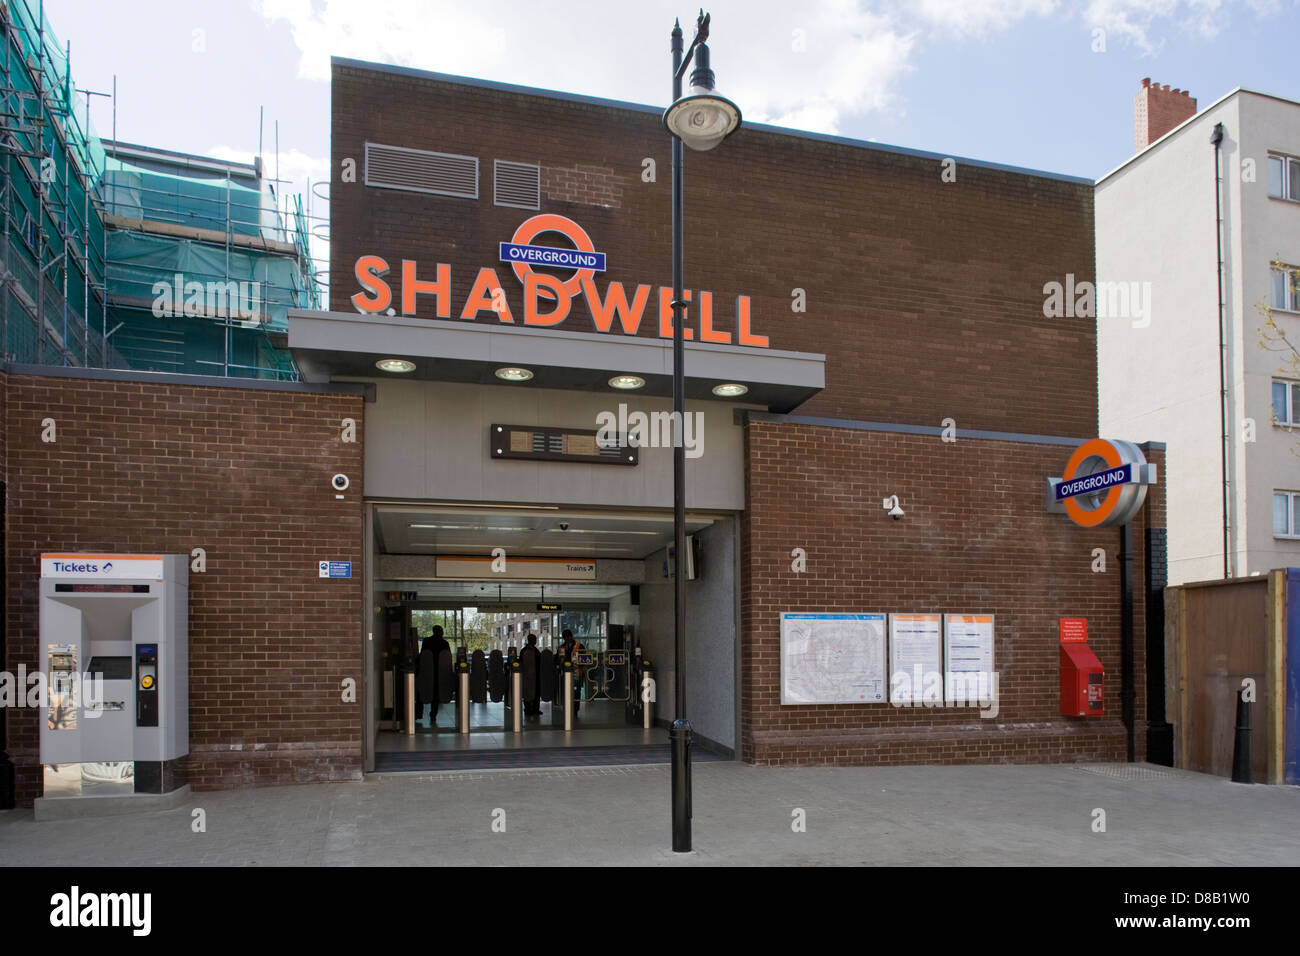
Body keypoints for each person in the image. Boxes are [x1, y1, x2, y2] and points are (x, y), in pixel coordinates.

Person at [417, 625, 452, 726]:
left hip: (427, 672)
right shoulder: (445, 643)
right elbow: (447, 658)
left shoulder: (427, 641)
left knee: (422, 691)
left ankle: (419, 713)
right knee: (436, 695)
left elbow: (422, 656)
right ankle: (433, 715)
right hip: (440, 673)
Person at [560, 628, 584, 715]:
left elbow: (584, 659)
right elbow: (560, 659)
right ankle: (567, 708)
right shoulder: (562, 647)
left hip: (576, 672)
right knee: (566, 691)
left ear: (571, 636)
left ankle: (575, 710)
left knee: (576, 692)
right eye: (565, 638)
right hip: (565, 673)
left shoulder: (579, 646)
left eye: (568, 637)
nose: (566, 639)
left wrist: (581, 668)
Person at [520, 633, 542, 716]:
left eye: (535, 639)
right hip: (529, 675)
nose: (535, 641)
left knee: (536, 692)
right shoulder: (527, 650)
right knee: (528, 692)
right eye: (534, 639)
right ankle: (528, 709)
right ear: (530, 640)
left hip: (535, 675)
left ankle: (535, 709)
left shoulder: (534, 650)